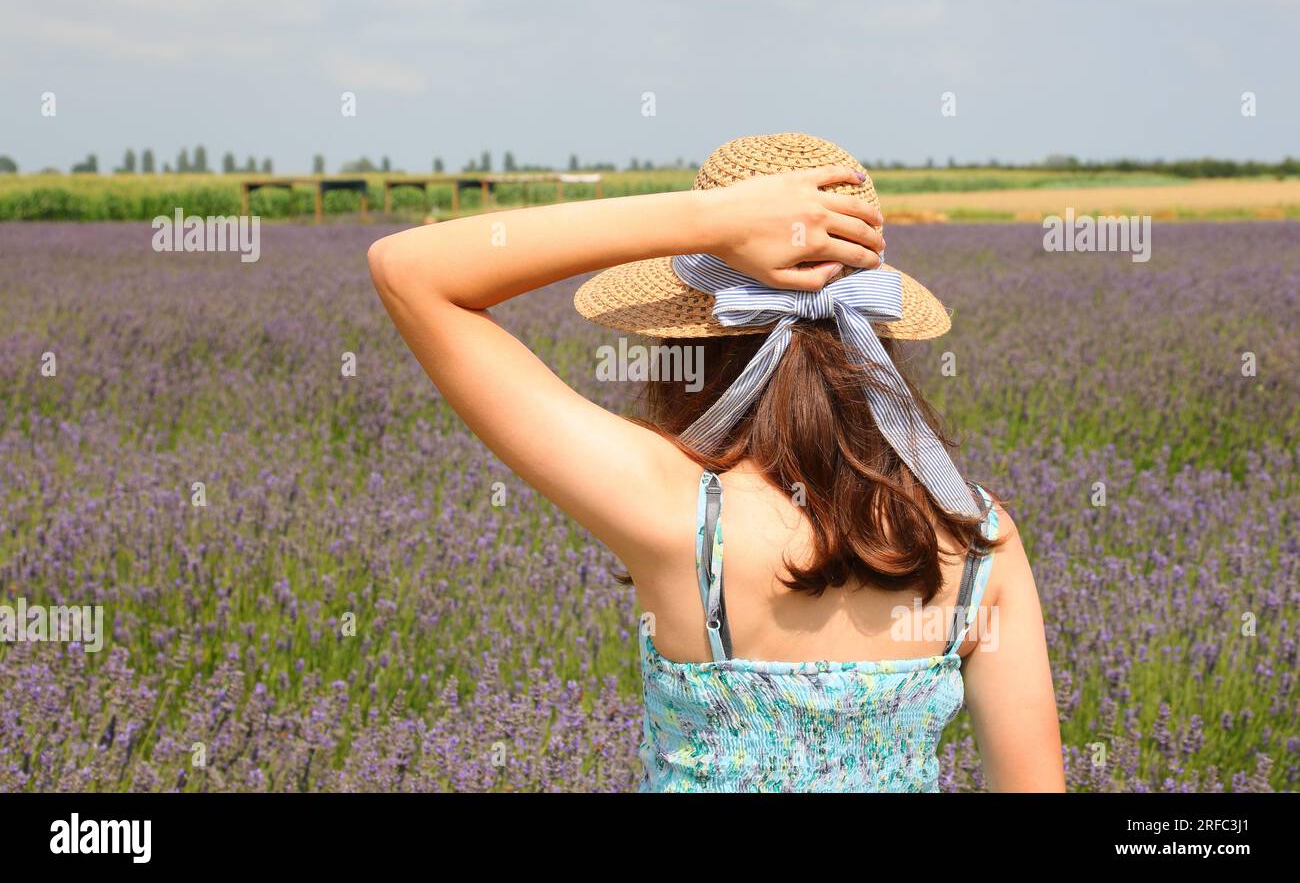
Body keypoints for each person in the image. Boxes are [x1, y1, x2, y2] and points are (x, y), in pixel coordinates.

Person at [368, 132, 1065, 792]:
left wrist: (708, 221)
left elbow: (410, 270)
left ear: (687, 341)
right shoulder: (979, 539)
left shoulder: (674, 506)